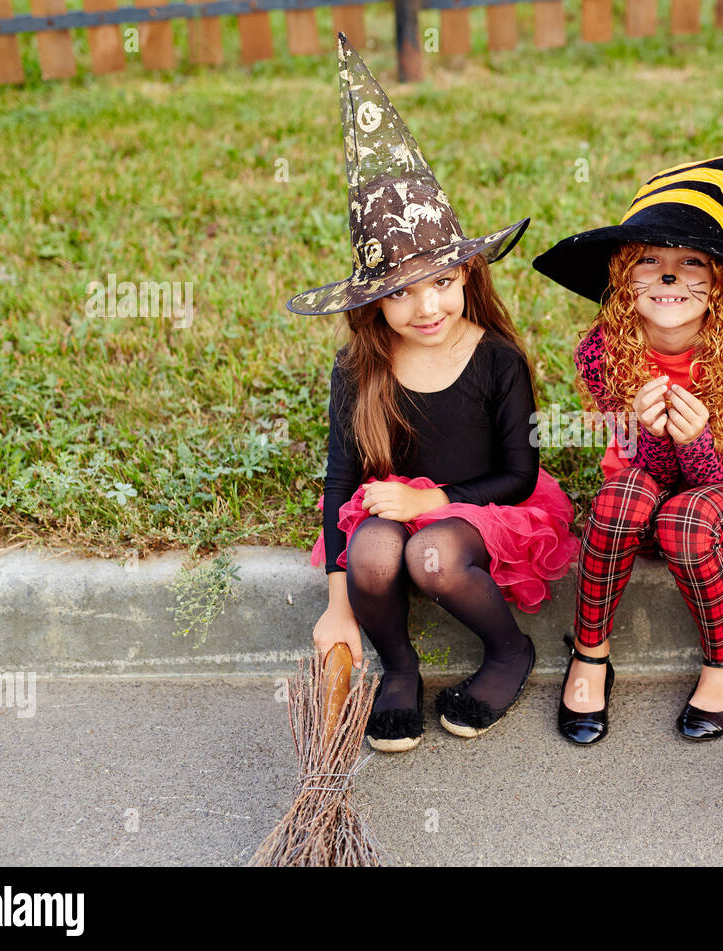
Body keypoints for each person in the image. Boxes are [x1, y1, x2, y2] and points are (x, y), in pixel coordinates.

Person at [294, 35, 576, 752]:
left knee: (431, 557)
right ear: (369, 303)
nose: (428, 307)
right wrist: (337, 610)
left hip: (483, 508)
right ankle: (399, 669)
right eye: (402, 292)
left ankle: (511, 652)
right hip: (395, 509)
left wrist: (432, 503)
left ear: (469, 278)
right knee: (373, 555)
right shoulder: (360, 369)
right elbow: (340, 480)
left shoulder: (496, 360)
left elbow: (519, 476)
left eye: (444, 283)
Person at [533, 156, 723, 744]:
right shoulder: (602, 350)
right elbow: (637, 466)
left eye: (690, 264)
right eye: (649, 262)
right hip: (642, 478)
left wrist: (696, 439)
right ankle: (589, 652)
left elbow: (718, 472)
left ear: (720, 284)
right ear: (623, 278)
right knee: (621, 500)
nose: (668, 278)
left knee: (684, 520)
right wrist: (648, 432)